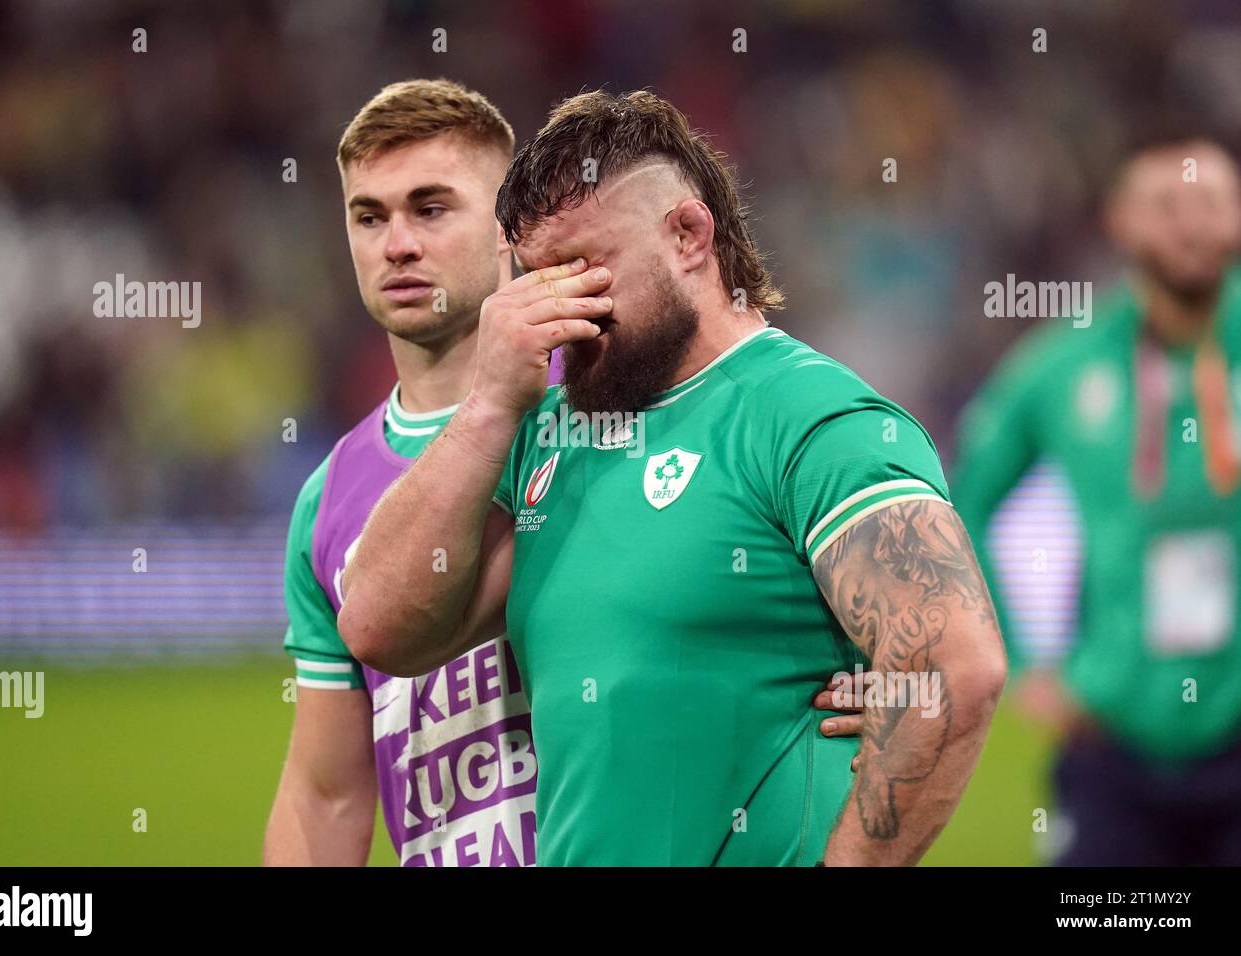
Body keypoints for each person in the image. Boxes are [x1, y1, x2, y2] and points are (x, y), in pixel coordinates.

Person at [338, 90, 1007, 866]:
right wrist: (487, 405)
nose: (560, 310)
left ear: (688, 235)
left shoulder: (812, 418)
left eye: (582, 270)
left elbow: (953, 666)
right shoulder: (543, 434)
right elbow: (378, 627)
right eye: (535, 279)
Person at [954, 135, 1241, 866]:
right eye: (1166, 204)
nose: (1190, 224)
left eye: (1208, 202)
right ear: (1119, 220)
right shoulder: (1061, 366)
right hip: (1115, 741)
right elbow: (963, 502)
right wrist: (1021, 661)